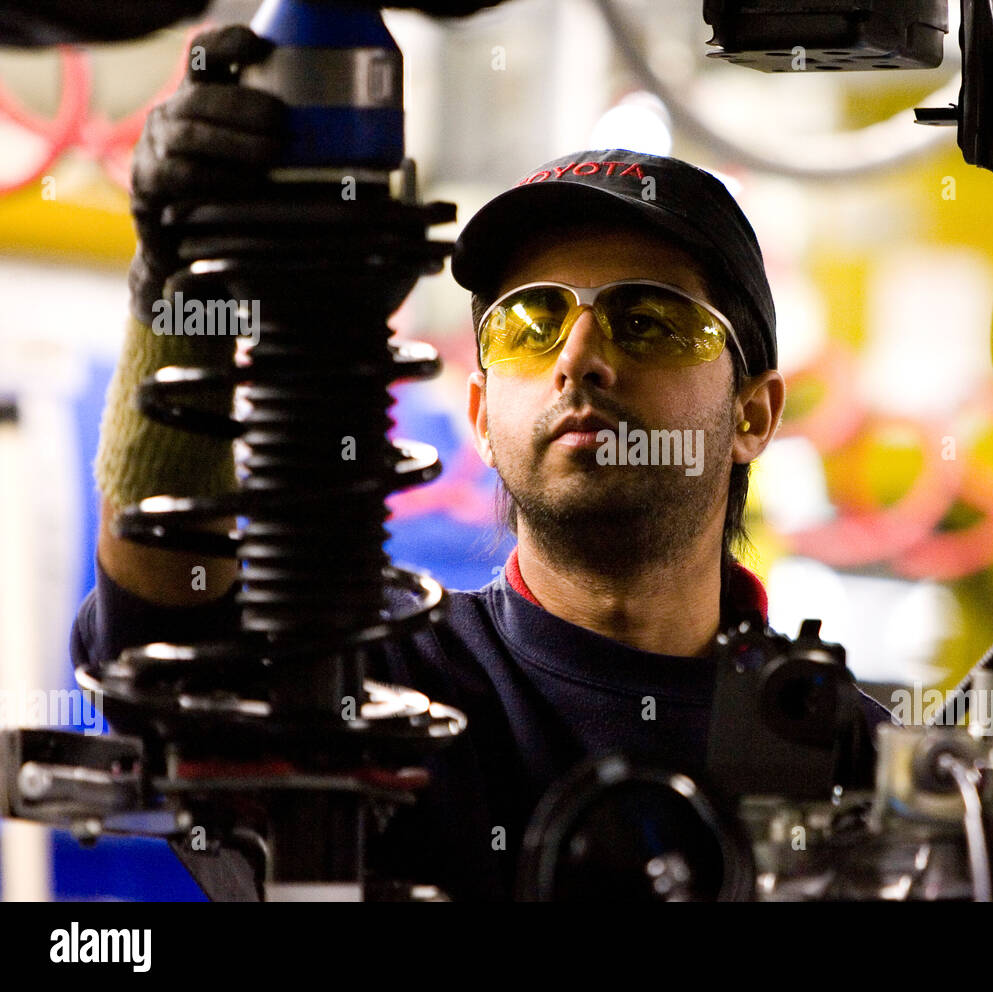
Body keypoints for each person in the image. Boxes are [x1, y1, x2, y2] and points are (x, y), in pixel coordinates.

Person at [71, 26, 892, 901]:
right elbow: (161, 626)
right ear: (482, 418)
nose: (578, 358)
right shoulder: (367, 681)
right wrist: (176, 291)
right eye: (529, 326)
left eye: (648, 319)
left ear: (754, 413)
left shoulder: (862, 768)